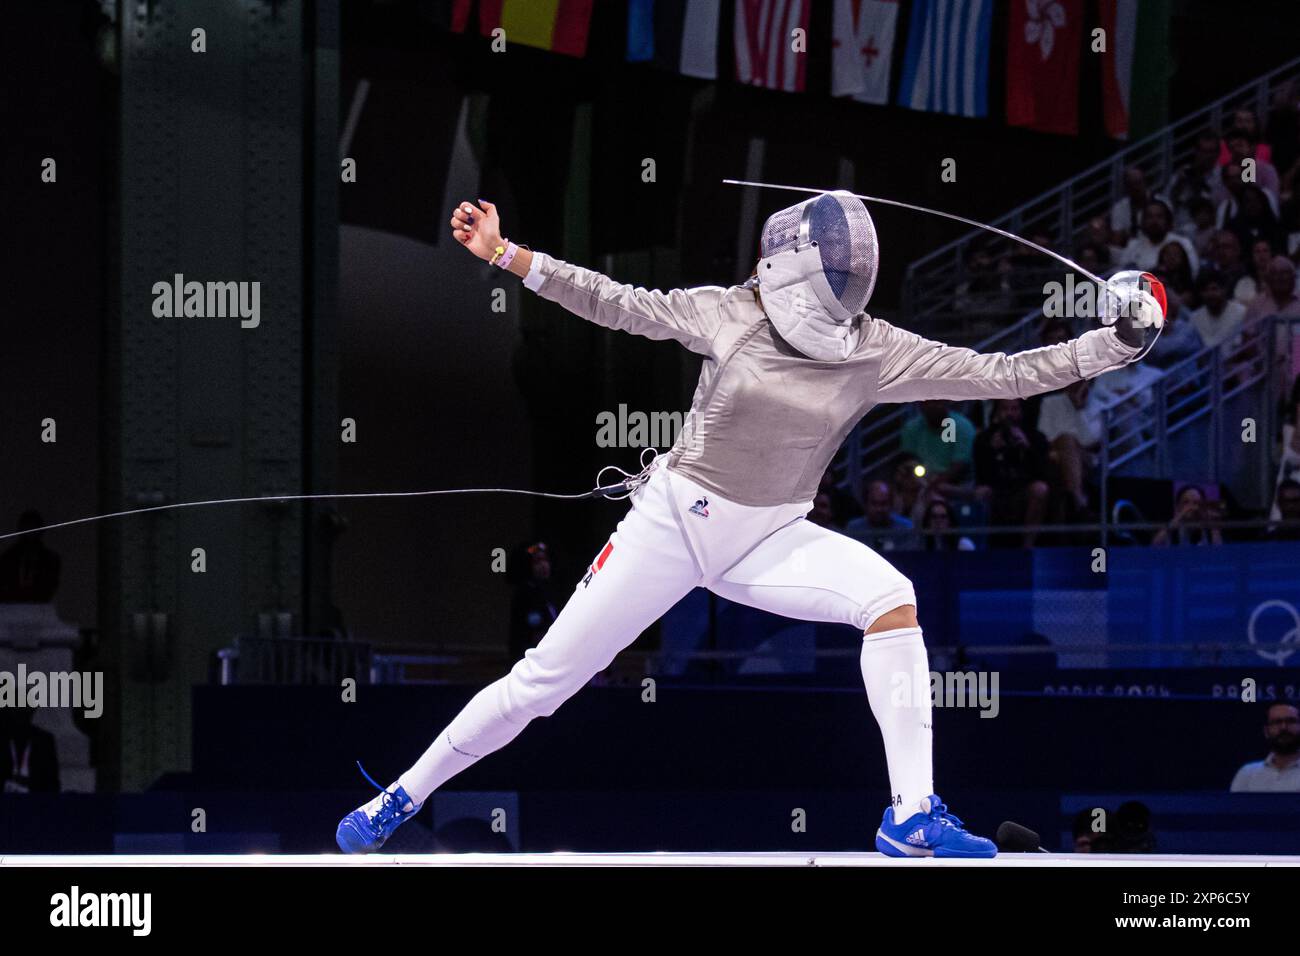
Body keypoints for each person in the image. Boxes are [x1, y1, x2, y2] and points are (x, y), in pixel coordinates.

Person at [336, 190, 1155, 858]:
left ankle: (910, 817)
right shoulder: (728, 313)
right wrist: (509, 256)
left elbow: (1000, 373)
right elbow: (616, 304)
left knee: (891, 597)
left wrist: (1110, 347)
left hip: (769, 536)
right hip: (672, 527)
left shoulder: (877, 350)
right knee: (543, 684)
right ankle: (400, 797)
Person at [973, 398, 1051, 547]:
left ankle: (1027, 547)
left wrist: (1027, 449)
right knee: (981, 493)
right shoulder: (983, 439)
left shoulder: (1036, 437)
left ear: (1021, 412)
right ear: (996, 412)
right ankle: (982, 547)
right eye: (1004, 409)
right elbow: (981, 478)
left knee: (1040, 490)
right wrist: (992, 452)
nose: (1009, 413)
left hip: (1023, 491)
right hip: (997, 492)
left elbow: (1042, 474)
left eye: (1014, 409)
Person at [1230, 703, 1300, 792]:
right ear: (1266, 731)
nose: (1284, 727)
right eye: (1277, 722)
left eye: (1291, 721)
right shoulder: (1247, 774)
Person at [508, 542, 559, 661]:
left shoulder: (549, 591)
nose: (543, 565)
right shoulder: (524, 593)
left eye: (545, 560)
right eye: (537, 561)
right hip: (529, 656)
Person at [844, 480, 919, 552]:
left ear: (891, 504)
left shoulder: (906, 527)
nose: (879, 509)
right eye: (874, 503)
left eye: (883, 503)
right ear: (865, 504)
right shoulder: (854, 529)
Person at [1151, 484, 1223, 547]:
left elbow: (1219, 551)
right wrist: (1178, 517)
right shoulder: (1172, 527)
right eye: (1186, 502)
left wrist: (1213, 526)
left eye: (1196, 503)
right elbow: (1155, 545)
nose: (1191, 507)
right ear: (1177, 506)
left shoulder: (1209, 528)